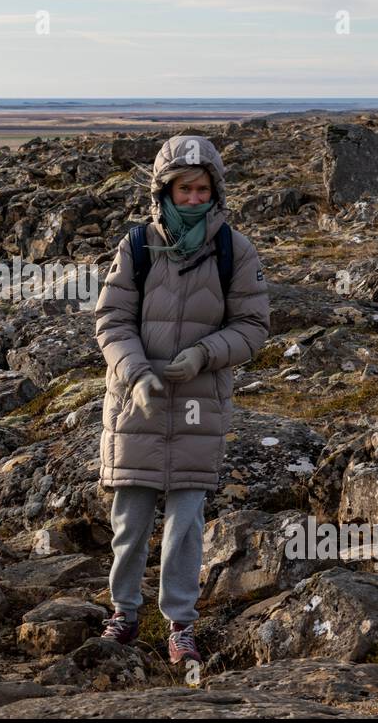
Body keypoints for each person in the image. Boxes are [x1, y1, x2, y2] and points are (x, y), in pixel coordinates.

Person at [93, 134, 270, 665]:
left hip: (199, 409)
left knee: (186, 525)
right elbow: (111, 320)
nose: (194, 198)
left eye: (202, 188)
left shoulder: (234, 250)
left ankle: (180, 626)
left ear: (216, 191)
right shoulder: (138, 246)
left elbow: (254, 326)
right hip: (136, 408)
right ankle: (123, 616)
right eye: (183, 188)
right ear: (164, 190)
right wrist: (135, 371)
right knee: (129, 522)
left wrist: (203, 355)